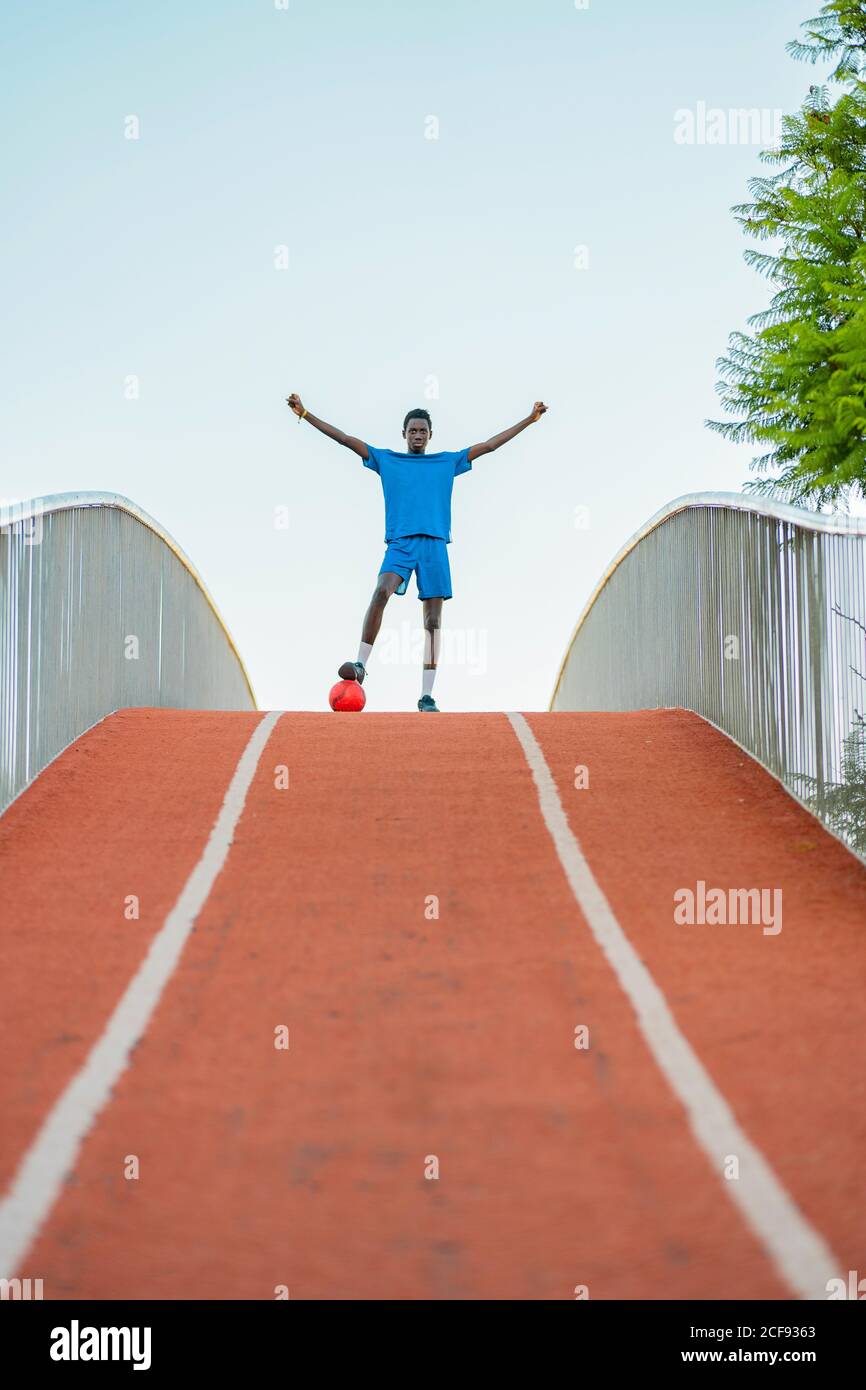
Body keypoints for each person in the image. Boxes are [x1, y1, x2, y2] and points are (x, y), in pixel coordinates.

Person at [286, 394, 548, 710]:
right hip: (400, 544)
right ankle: (360, 665)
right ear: (404, 434)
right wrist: (306, 413)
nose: (418, 436)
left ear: (430, 435)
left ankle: (426, 696)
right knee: (381, 590)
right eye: (413, 431)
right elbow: (344, 439)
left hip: (435, 545)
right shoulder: (387, 460)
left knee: (433, 623)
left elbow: (490, 445)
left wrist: (529, 420)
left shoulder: (447, 462)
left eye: (423, 431)